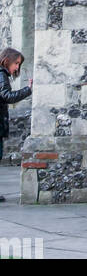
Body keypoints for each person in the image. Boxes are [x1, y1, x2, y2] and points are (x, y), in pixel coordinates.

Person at [0, 48, 32, 202]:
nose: (17, 67)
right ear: (7, 60)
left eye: (19, 64)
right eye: (16, 63)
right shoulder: (1, 75)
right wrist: (29, 90)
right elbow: (7, 96)